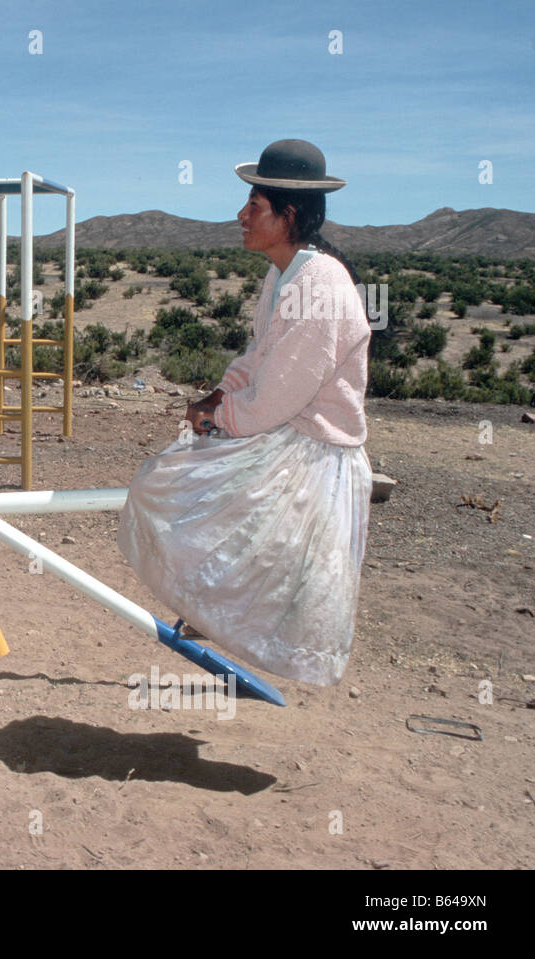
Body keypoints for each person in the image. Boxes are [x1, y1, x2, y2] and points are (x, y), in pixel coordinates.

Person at [118, 140, 372, 686]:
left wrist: (219, 417)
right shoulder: (287, 276)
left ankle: (213, 614)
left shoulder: (319, 285)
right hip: (289, 436)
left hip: (309, 451)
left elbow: (279, 394)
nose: (240, 216)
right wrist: (220, 394)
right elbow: (260, 357)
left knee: (165, 487)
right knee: (181, 489)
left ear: (289, 215)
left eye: (253, 206)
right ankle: (213, 613)